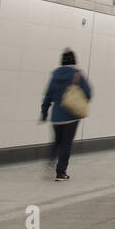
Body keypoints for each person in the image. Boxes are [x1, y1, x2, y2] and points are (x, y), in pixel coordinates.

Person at [40, 49, 92, 181]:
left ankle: (49, 164)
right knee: (66, 144)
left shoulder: (55, 75)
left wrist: (44, 112)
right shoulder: (77, 75)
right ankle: (61, 172)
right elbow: (88, 93)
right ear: (74, 60)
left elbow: (48, 96)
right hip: (71, 117)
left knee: (56, 142)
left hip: (56, 117)